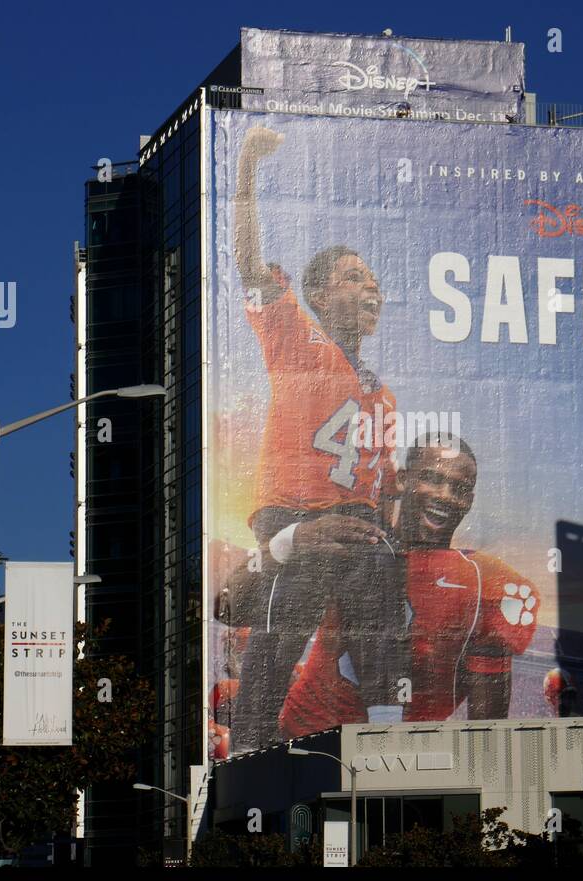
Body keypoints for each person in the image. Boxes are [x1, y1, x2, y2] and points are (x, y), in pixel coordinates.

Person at [226, 123, 409, 749]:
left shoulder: (382, 395)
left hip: (356, 528)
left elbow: (380, 489)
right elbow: (248, 261)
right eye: (355, 278)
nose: (371, 289)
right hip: (294, 522)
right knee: (274, 654)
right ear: (319, 294)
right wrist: (247, 162)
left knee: (385, 645)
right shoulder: (297, 338)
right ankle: (245, 762)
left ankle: (392, 754)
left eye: (374, 281)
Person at [246, 436, 541, 738]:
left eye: (460, 489)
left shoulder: (485, 581)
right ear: (403, 479)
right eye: (432, 478)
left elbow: (486, 731)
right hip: (307, 741)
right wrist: (292, 539)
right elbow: (237, 608)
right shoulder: (352, 540)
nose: (445, 495)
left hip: (404, 761)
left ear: (471, 500)